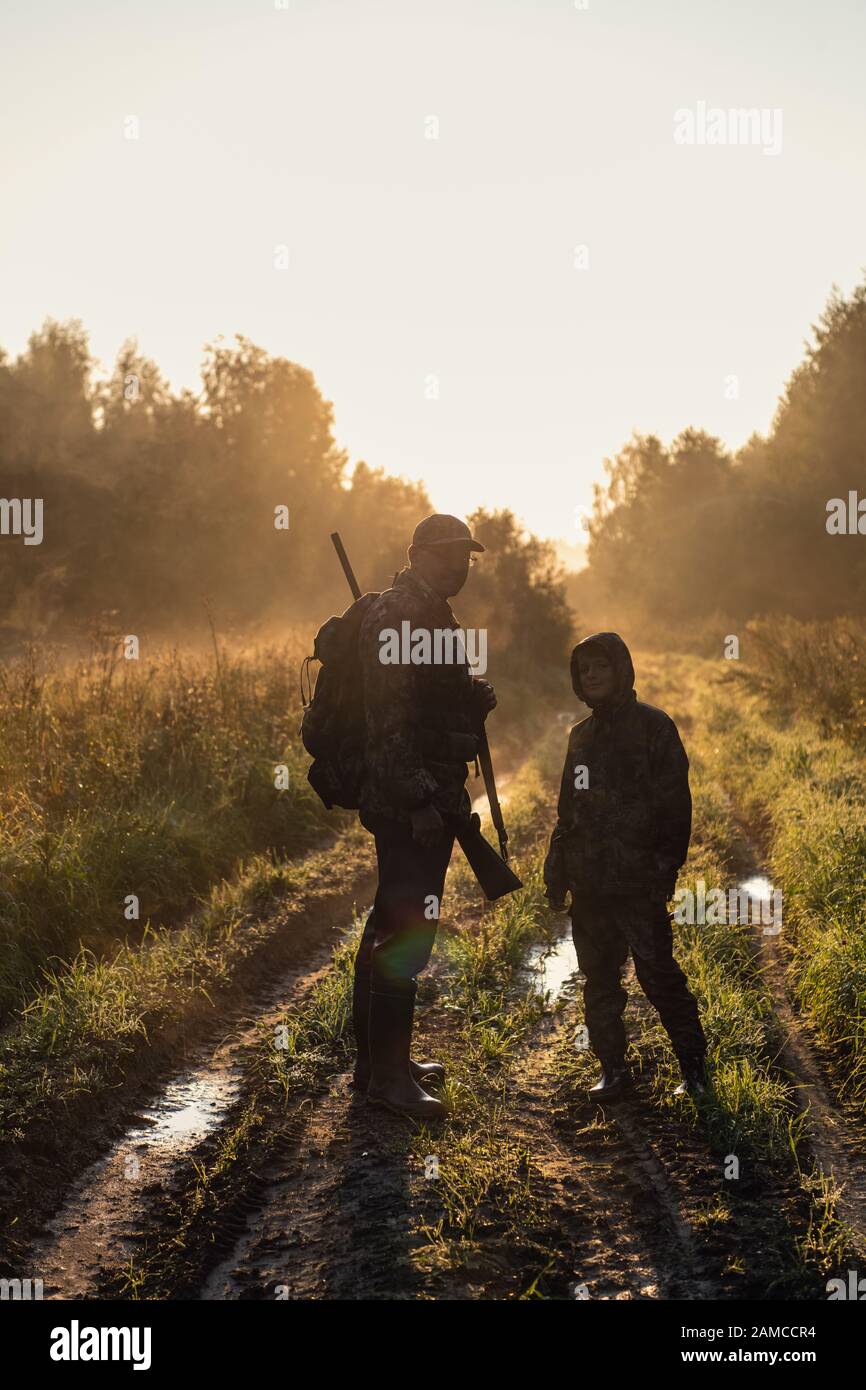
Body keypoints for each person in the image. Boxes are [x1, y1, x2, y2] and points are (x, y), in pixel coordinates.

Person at [352, 514, 496, 1118]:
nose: (459, 564)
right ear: (416, 554)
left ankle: (379, 1065)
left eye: (465, 555)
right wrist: (417, 802)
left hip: (426, 793)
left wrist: (469, 698)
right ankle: (389, 1081)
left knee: (391, 924)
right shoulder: (403, 615)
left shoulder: (432, 609)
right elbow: (387, 725)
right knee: (406, 933)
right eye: (446, 554)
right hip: (411, 801)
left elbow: (426, 705)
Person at [543, 632, 708, 1100]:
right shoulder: (580, 736)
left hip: (639, 883)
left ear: (622, 670)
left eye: (601, 667)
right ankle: (613, 1071)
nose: (591, 676)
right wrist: (557, 868)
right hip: (591, 883)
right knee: (599, 981)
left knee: (660, 978)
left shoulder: (655, 729)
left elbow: (676, 811)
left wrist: (663, 873)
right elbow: (567, 811)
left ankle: (694, 1071)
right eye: (584, 670)